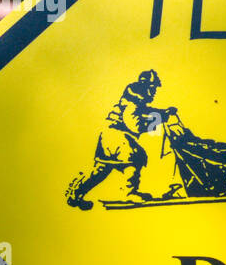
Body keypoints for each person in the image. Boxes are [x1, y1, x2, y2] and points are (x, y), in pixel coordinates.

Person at [65, 70, 174, 209]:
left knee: (102, 169)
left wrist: (162, 112)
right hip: (117, 136)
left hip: (109, 136)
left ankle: (75, 193)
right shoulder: (134, 102)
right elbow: (135, 125)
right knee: (136, 157)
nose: (154, 92)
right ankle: (129, 193)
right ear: (146, 86)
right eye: (153, 88)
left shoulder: (135, 99)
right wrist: (158, 119)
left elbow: (145, 111)